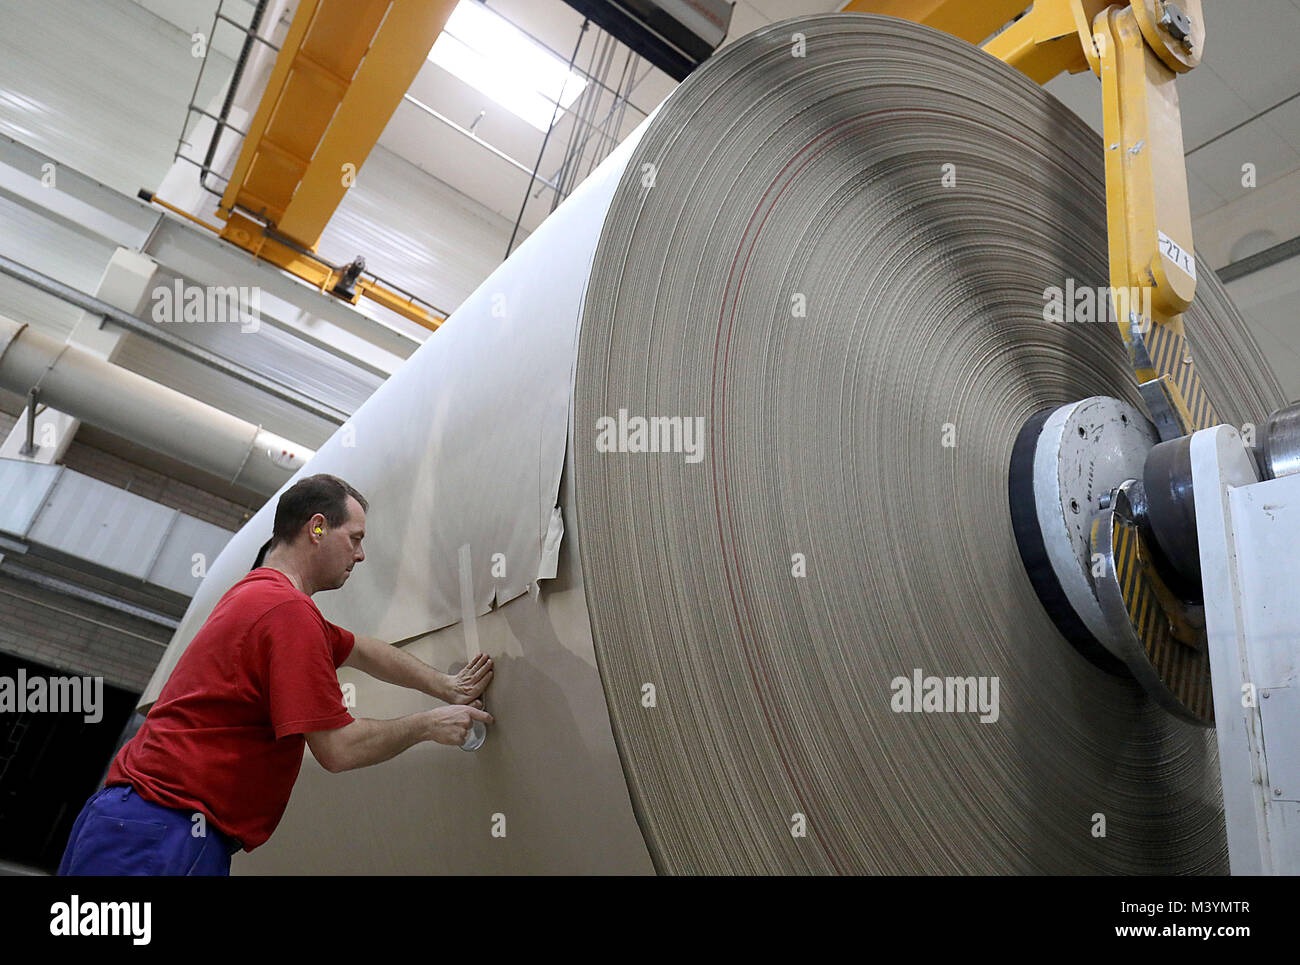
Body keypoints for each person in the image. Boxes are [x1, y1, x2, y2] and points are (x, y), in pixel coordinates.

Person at [58, 473, 493, 875]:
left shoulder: (259, 594)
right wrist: (428, 725)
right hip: (163, 832)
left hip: (136, 823)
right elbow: (338, 749)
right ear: (317, 528)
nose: (360, 555)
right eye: (355, 538)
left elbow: (362, 650)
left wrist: (445, 685)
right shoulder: (289, 612)